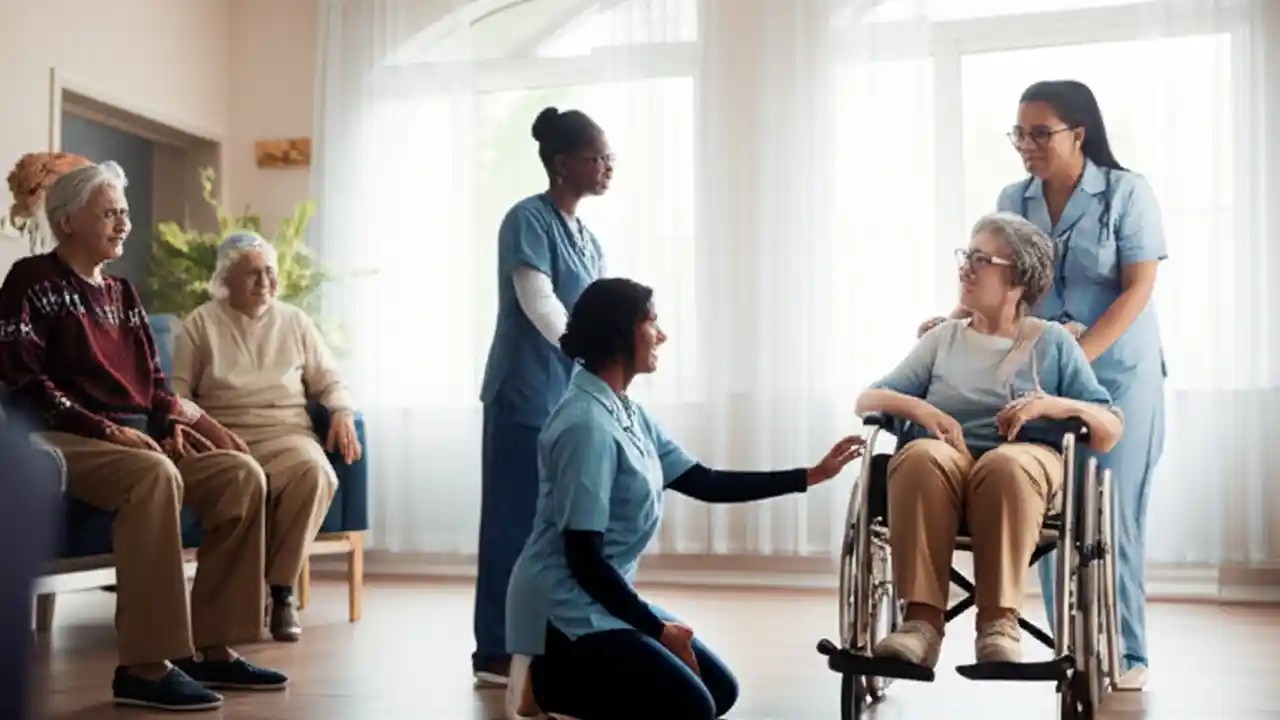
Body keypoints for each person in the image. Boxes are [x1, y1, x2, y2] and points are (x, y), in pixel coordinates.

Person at [505, 277, 866, 720]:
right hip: (560, 611)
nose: (662, 334)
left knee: (720, 691)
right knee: (691, 707)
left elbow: (704, 482)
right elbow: (584, 559)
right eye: (652, 321)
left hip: (595, 597)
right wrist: (657, 629)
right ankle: (548, 686)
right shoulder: (586, 426)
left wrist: (810, 475)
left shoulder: (625, 410)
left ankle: (566, 688)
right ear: (622, 331)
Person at [0, 162, 287, 711]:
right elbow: (24, 382)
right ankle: (145, 666)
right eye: (109, 213)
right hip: (58, 437)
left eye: (124, 213)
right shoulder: (30, 280)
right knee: (152, 475)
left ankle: (213, 649)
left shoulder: (123, 293)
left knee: (239, 476)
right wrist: (107, 429)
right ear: (65, 223)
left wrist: (197, 426)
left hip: (130, 438)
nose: (123, 223)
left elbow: (154, 388)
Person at [919, 80, 1165, 688]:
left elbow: (1137, 288)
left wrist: (1075, 355)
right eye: (1019, 133)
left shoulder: (1126, 193)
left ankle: (1128, 652)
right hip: (1037, 373)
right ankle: (1070, 644)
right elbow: (1003, 279)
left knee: (1114, 519)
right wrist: (952, 321)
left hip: (1117, 374)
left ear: (1077, 134)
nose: (1025, 144)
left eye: (1039, 132)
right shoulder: (1013, 198)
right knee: (1052, 507)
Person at [864, 213, 1122, 669]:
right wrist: (924, 410)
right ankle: (920, 624)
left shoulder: (1053, 342)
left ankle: (999, 623)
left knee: (1005, 465)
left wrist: (1051, 405)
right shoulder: (942, 339)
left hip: (1022, 469)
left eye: (982, 258)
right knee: (920, 455)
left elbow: (1108, 429)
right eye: (967, 254)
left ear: (1017, 280)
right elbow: (869, 398)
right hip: (947, 468)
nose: (966, 266)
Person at [474, 107, 612, 685]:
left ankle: (546, 642)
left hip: (568, 399)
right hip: (523, 395)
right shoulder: (526, 219)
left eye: (609, 158)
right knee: (513, 524)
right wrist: (586, 353)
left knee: (562, 528)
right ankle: (496, 653)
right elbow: (539, 301)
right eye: (597, 158)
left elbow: (598, 310)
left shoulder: (589, 237)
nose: (608, 167)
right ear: (562, 165)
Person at [170, 231, 358, 642]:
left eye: (269, 273)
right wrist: (194, 430)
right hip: (225, 436)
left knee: (317, 473)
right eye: (252, 274)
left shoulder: (294, 321)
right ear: (225, 279)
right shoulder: (199, 325)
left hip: (286, 433)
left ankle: (282, 590)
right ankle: (242, 602)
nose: (264, 283)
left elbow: (329, 380)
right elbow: (177, 394)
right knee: (241, 479)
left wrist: (342, 409)